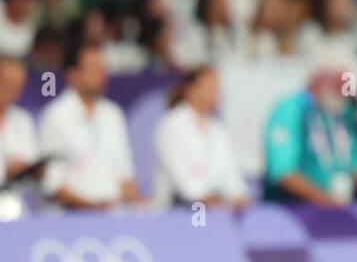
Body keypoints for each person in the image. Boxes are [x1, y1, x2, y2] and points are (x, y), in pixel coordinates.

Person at [39, 41, 143, 209]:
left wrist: (139, 204)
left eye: (103, 69)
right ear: (73, 74)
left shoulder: (113, 114)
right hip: (72, 217)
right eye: (94, 69)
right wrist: (92, 207)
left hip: (114, 216)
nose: (102, 75)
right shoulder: (56, 116)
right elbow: (53, 183)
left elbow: (125, 174)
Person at [262, 58, 357, 206]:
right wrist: (326, 201)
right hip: (294, 214)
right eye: (341, 85)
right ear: (321, 79)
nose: (346, 93)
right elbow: (283, 173)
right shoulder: (290, 109)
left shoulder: (342, 111)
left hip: (338, 210)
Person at [153, 65, 250, 209]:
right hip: (177, 211)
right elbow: (180, 175)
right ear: (190, 90)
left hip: (214, 210)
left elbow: (230, 172)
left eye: (217, 89)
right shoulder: (172, 125)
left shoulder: (218, 130)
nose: (215, 93)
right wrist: (204, 196)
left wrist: (238, 195)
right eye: (210, 88)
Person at [0, 55, 36, 183]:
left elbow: (31, 160)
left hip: (14, 194)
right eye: (8, 82)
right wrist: (6, 169)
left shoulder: (23, 119)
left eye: (18, 84)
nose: (13, 89)